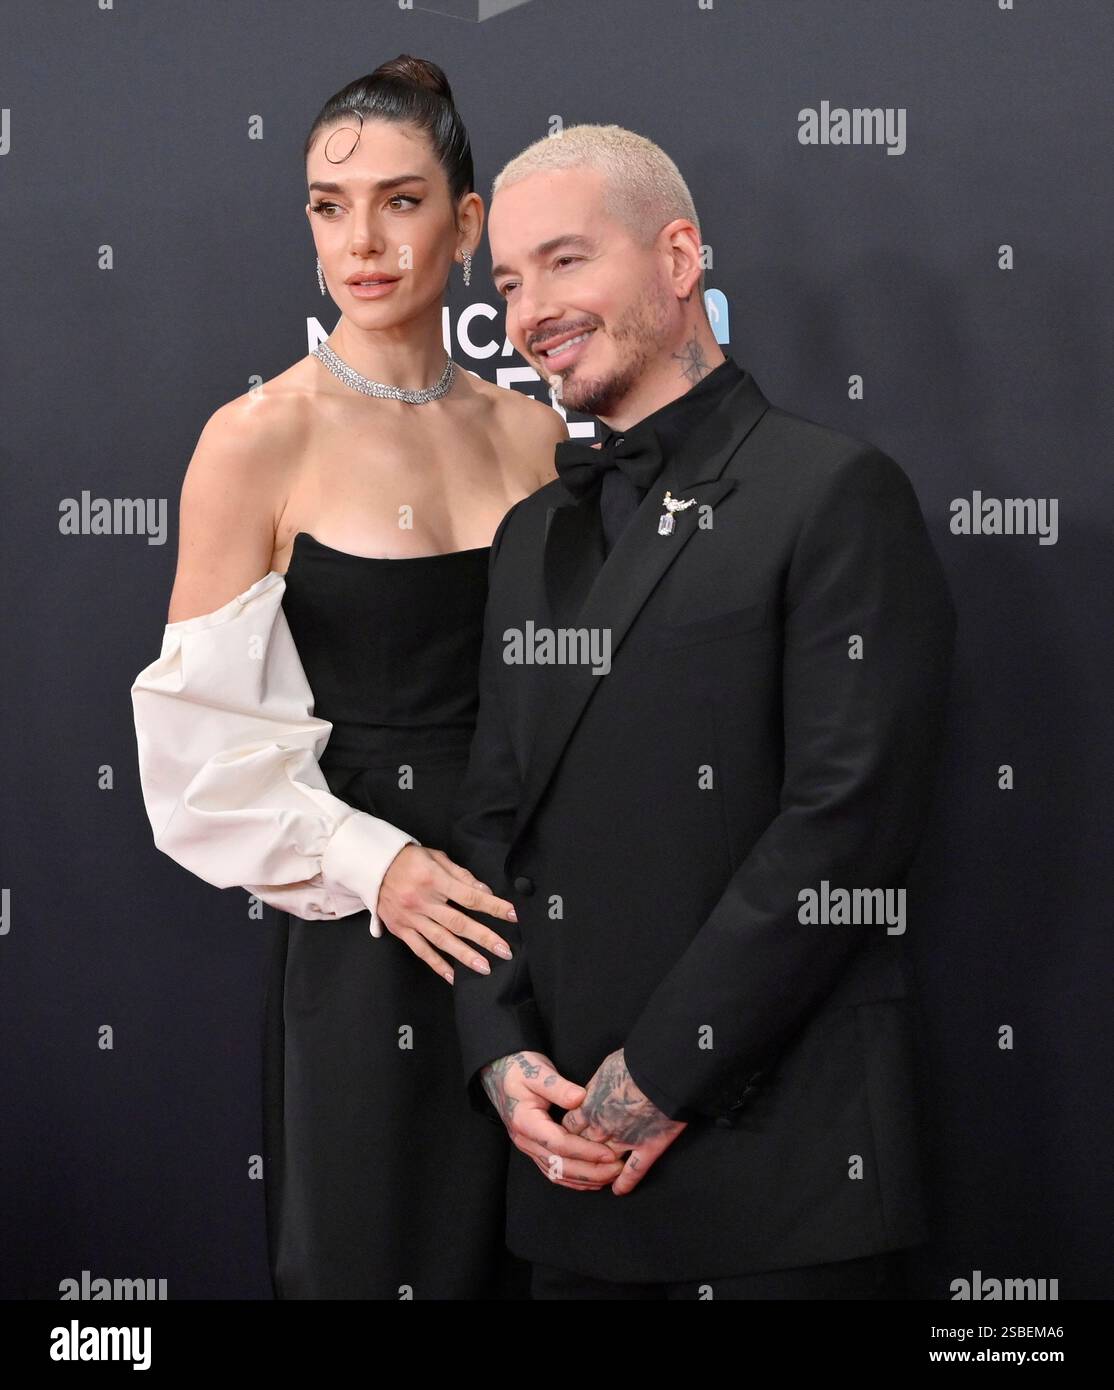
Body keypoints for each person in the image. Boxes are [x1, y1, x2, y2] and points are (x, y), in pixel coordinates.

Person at [450, 123, 958, 1299]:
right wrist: (498, 1051)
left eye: (566, 262)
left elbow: (847, 824)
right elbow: (490, 822)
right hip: (565, 1180)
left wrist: (660, 1077)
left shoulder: (831, 491)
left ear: (679, 259)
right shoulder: (531, 537)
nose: (530, 312)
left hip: (781, 1177)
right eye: (512, 282)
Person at [129, 56, 570, 1299]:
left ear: (469, 224)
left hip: (531, 916)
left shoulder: (534, 435)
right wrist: (382, 866)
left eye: (400, 200)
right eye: (329, 206)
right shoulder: (258, 435)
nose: (361, 241)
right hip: (367, 928)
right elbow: (196, 755)